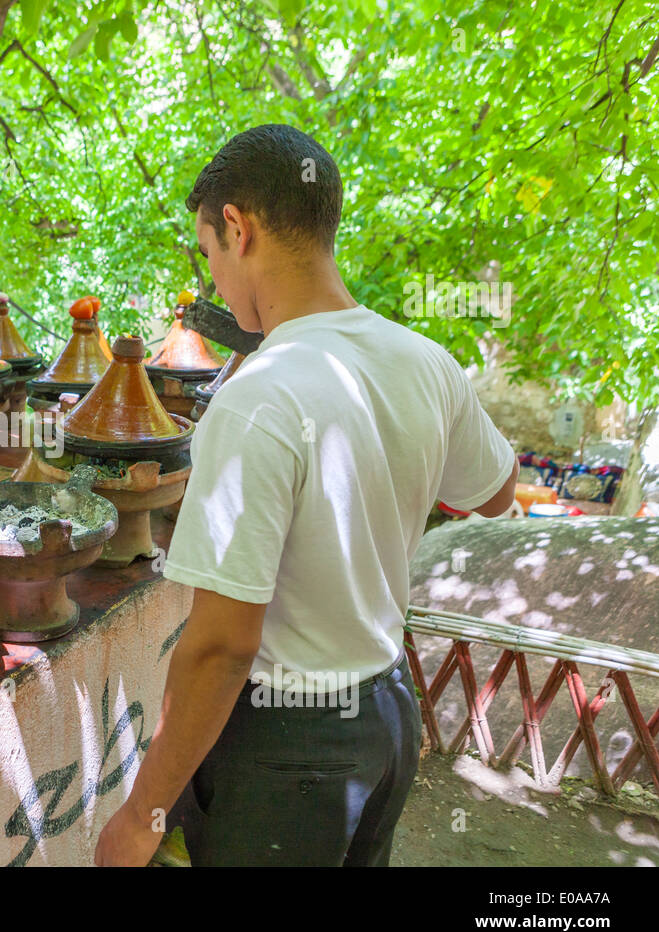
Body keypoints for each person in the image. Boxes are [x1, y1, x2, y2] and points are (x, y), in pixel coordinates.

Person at [93, 124, 518, 867]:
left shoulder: (259, 397)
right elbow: (493, 491)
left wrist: (142, 814)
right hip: (386, 719)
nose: (216, 282)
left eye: (209, 253)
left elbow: (223, 646)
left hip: (289, 753)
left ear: (237, 227)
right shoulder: (426, 364)